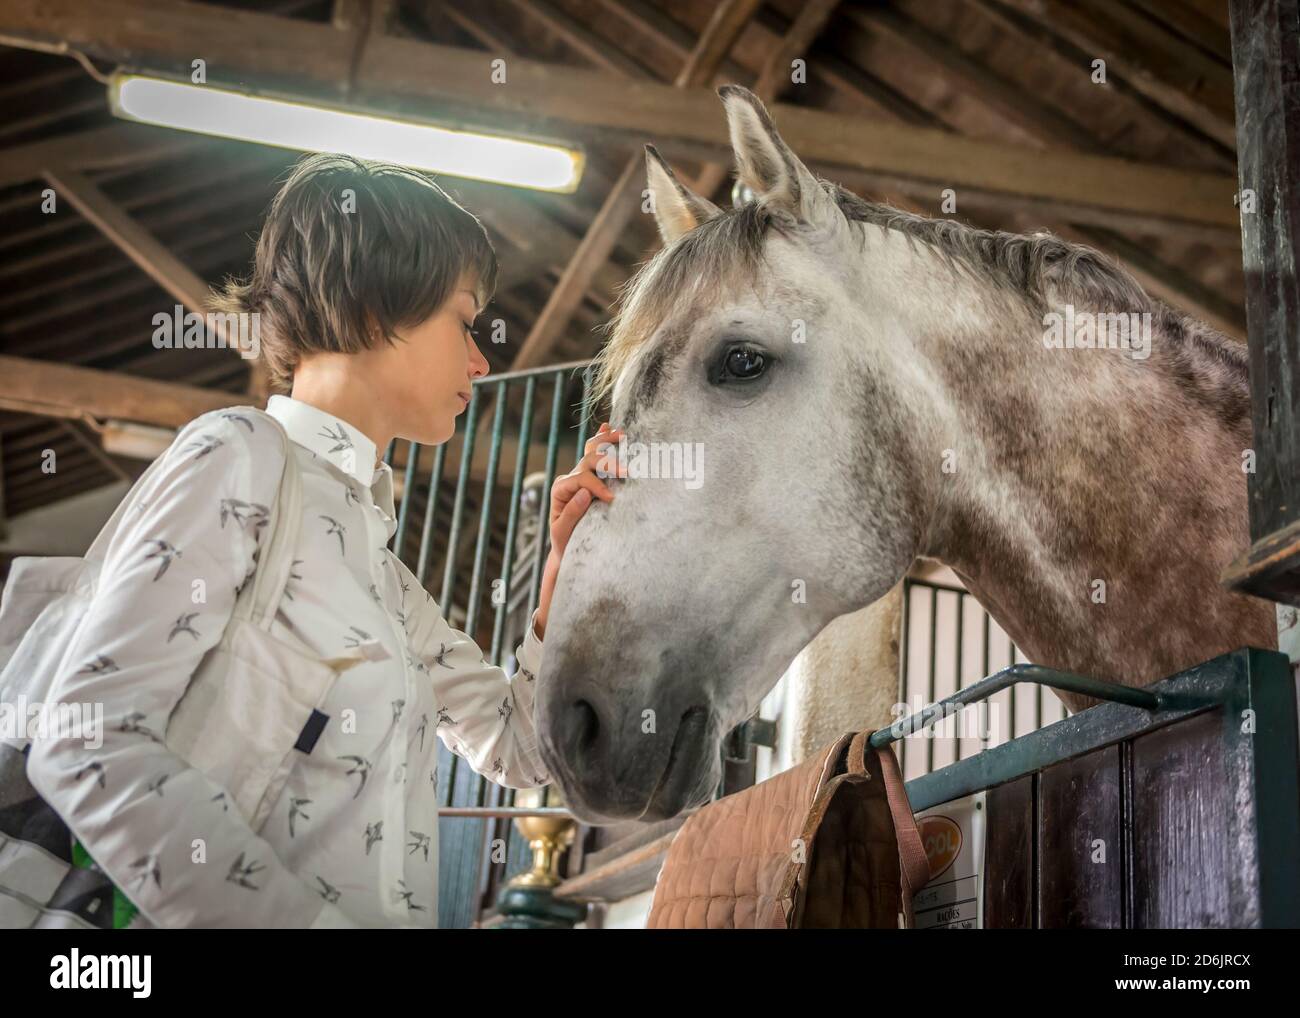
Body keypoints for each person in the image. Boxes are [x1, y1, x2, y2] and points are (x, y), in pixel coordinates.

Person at [26, 153, 622, 928]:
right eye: (465, 322)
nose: (480, 359)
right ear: (376, 305)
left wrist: (560, 577)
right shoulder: (239, 455)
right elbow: (87, 741)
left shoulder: (387, 580)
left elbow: (520, 749)